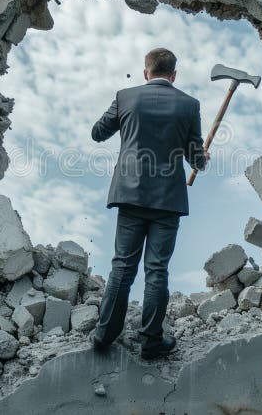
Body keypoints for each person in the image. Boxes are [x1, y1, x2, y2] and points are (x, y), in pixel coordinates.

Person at [89, 47, 208, 360]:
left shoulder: (125, 97)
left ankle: (104, 335)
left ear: (146, 72)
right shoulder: (189, 104)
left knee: (122, 267)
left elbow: (97, 133)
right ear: (173, 75)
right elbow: (196, 157)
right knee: (157, 270)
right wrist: (202, 158)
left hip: (130, 193)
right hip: (168, 200)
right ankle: (150, 341)